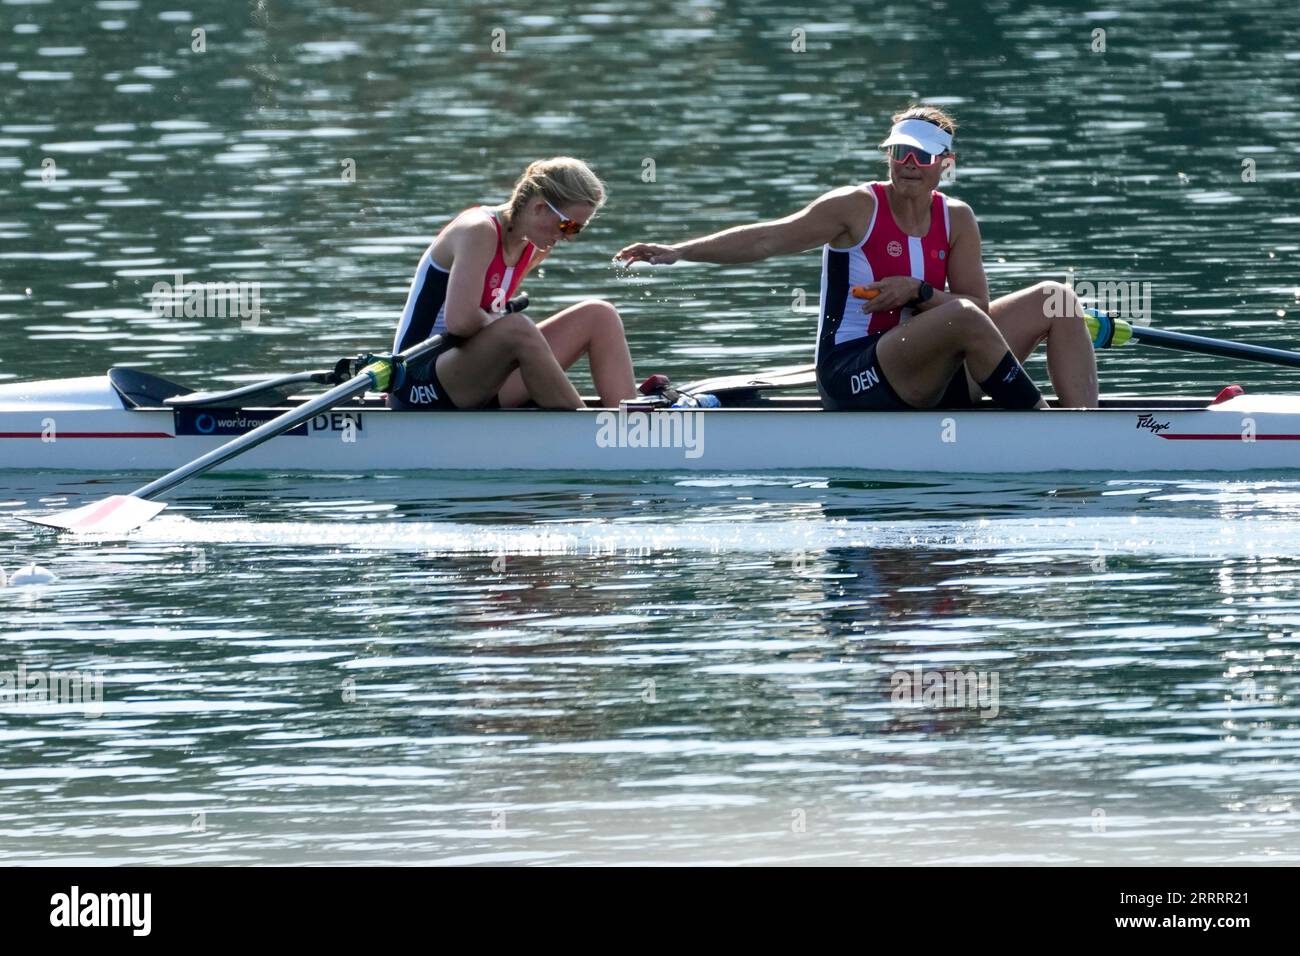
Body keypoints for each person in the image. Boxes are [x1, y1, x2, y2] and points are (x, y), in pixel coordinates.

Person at [616, 106, 1099, 411]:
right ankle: (1040, 425)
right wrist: (681, 252)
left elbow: (975, 307)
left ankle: (1084, 427)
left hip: (935, 369)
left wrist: (918, 291)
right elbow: (767, 239)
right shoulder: (854, 207)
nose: (909, 164)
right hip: (855, 373)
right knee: (964, 318)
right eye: (901, 153)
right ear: (889, 156)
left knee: (1055, 299)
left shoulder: (958, 218)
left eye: (923, 157)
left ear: (944, 165)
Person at [390, 157, 636, 411]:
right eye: (567, 225)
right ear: (539, 207)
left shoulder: (533, 245)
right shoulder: (479, 230)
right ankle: (586, 428)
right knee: (518, 328)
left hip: (473, 376)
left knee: (599, 315)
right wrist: (505, 327)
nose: (568, 237)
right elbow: (461, 321)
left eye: (576, 230)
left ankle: (632, 424)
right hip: (417, 382)